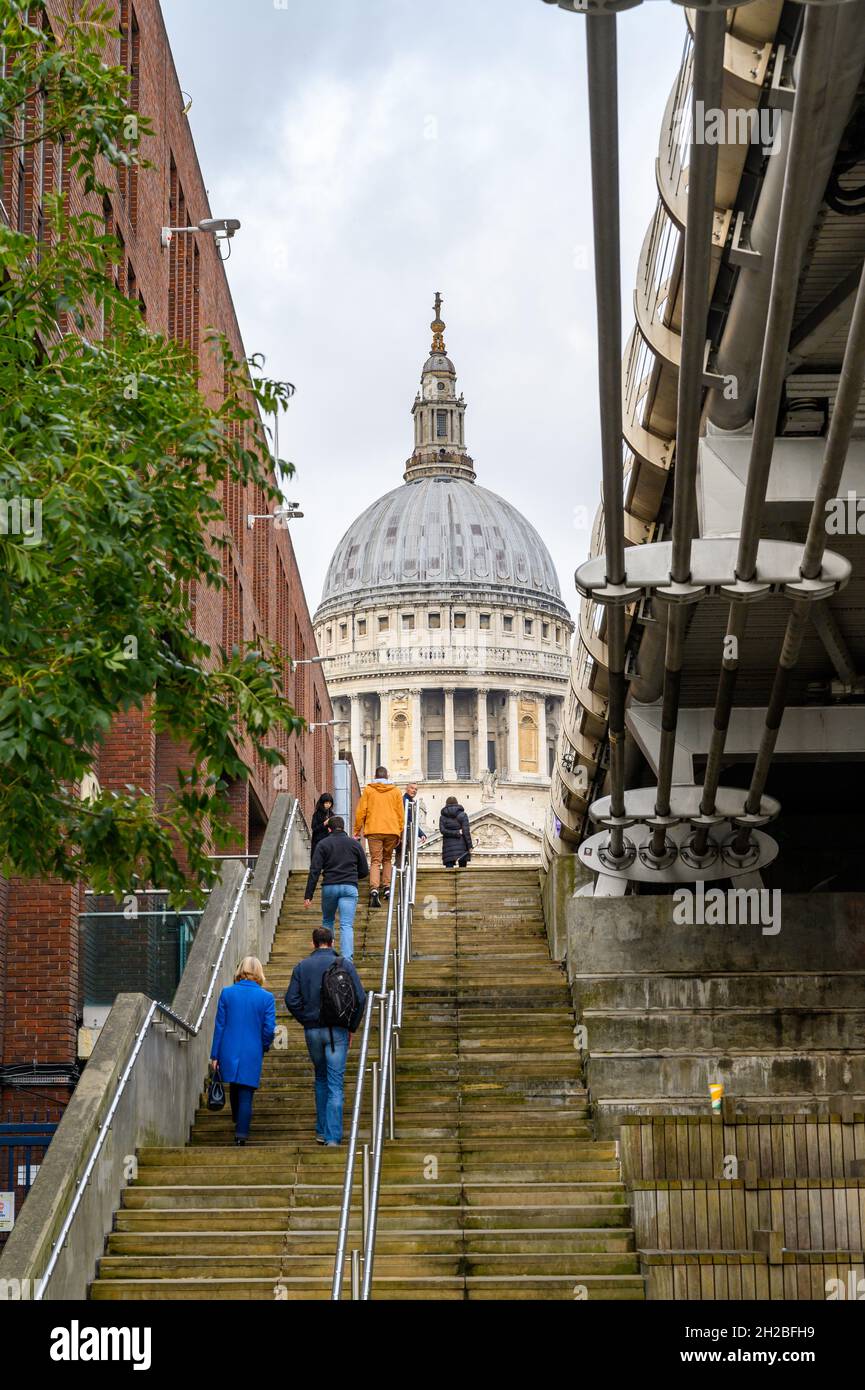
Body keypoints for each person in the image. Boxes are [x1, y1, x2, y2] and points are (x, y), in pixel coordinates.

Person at [285, 927, 366, 1146]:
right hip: (337, 1031)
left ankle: (321, 1131)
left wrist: (307, 1019)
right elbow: (360, 998)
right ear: (332, 942)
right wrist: (351, 1026)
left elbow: (291, 1000)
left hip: (313, 1031)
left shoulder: (301, 967)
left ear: (313, 943)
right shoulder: (344, 965)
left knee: (320, 1078)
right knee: (335, 1083)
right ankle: (332, 1137)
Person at [209, 956, 276, 1146]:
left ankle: (238, 1120)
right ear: (259, 972)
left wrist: (215, 1054)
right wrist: (263, 1045)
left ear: (240, 970)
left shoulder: (227, 993)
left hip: (228, 1049)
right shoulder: (266, 997)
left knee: (234, 1086)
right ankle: (241, 1135)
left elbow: (219, 1025)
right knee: (246, 1092)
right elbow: (269, 1028)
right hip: (252, 1050)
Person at [303, 814, 368, 960]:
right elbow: (364, 871)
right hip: (349, 887)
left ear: (329, 828)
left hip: (330, 886)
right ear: (343, 827)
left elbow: (314, 870)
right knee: (346, 925)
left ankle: (326, 956)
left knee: (328, 921)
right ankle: (347, 961)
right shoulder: (355, 844)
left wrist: (308, 895)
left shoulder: (323, 844)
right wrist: (351, 876)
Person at [353, 764, 404, 909]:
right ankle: (387, 887)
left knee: (375, 860)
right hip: (391, 830)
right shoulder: (395, 791)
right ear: (387, 776)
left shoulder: (369, 790)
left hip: (374, 830)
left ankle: (374, 889)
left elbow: (361, 811)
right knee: (387, 859)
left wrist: (357, 830)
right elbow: (401, 814)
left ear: (375, 777)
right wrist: (399, 831)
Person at [439, 796, 473, 869]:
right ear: (457, 803)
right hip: (462, 846)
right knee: (463, 870)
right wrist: (470, 846)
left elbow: (442, 831)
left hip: (448, 848)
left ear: (446, 804)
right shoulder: (463, 815)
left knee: (449, 870)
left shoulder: (442, 817)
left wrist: (455, 833)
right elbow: (466, 832)